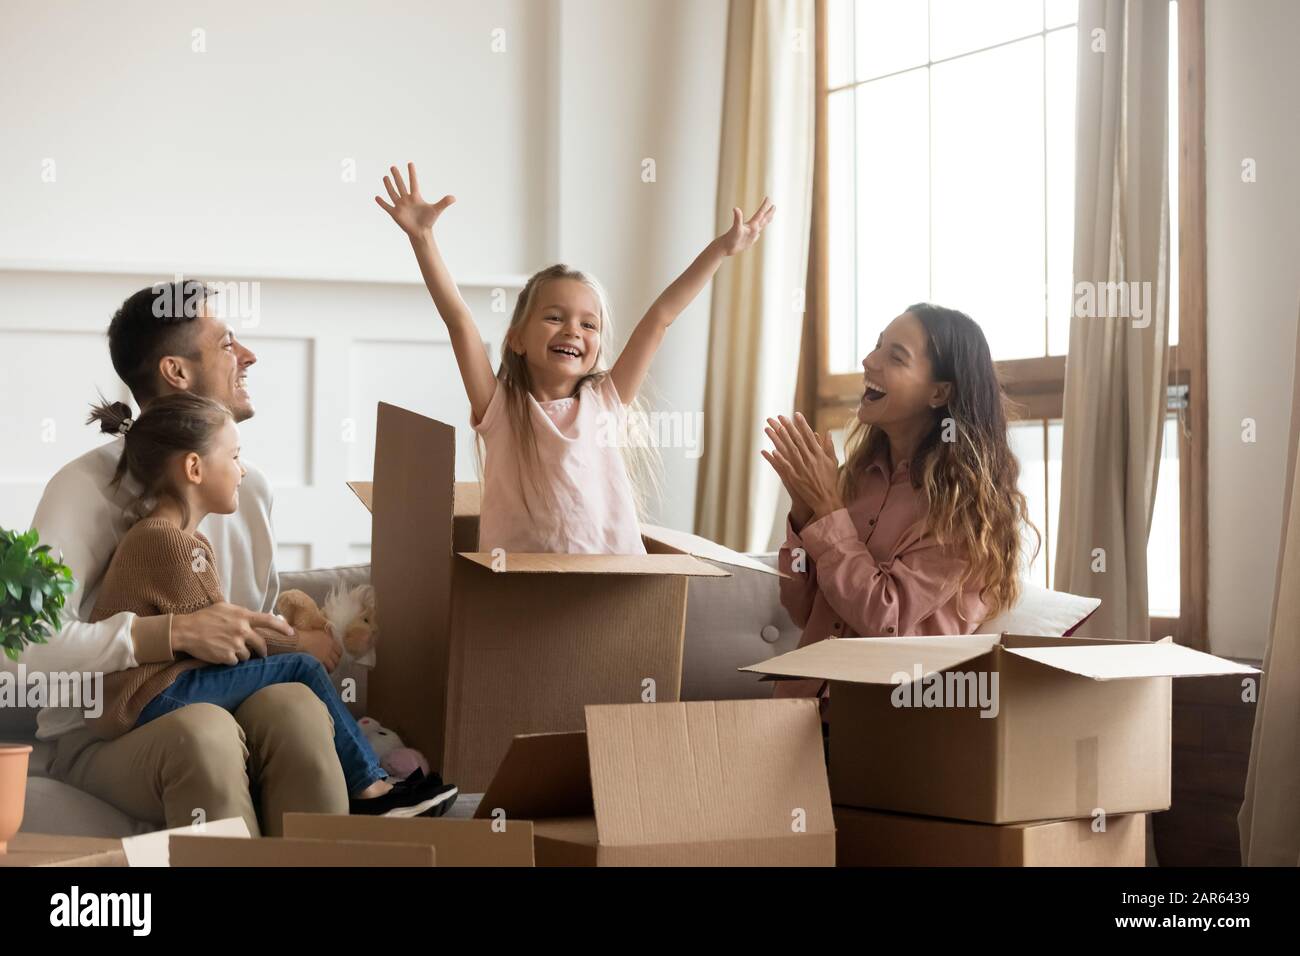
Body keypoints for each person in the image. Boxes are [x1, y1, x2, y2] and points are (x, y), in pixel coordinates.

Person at [29, 279, 351, 835]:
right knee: (202, 732)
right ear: (177, 373)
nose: (248, 356)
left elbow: (250, 641)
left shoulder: (248, 490)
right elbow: (26, 647)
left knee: (295, 706)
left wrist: (296, 642)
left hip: (228, 704)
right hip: (105, 732)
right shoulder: (82, 490)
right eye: (227, 343)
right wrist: (169, 633)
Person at [81, 393, 455, 818]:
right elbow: (230, 636)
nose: (242, 470)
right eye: (235, 456)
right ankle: (372, 788)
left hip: (166, 688)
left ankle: (366, 783)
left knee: (292, 676)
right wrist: (298, 643)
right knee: (302, 667)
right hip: (149, 697)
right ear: (194, 468)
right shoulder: (164, 539)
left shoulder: (181, 538)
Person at [375, 161, 773, 553]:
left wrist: (721, 250)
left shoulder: (605, 400)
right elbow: (459, 321)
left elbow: (660, 318)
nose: (573, 331)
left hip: (607, 583)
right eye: (554, 317)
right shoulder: (501, 409)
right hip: (522, 588)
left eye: (589, 325)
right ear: (517, 339)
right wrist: (422, 238)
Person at [763, 303, 1037, 699]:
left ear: (939, 392)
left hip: (885, 727)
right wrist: (806, 513)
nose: (869, 360)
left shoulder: (963, 511)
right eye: (877, 346)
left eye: (896, 357)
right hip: (799, 708)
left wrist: (826, 512)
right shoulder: (859, 480)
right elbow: (803, 609)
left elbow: (888, 622)